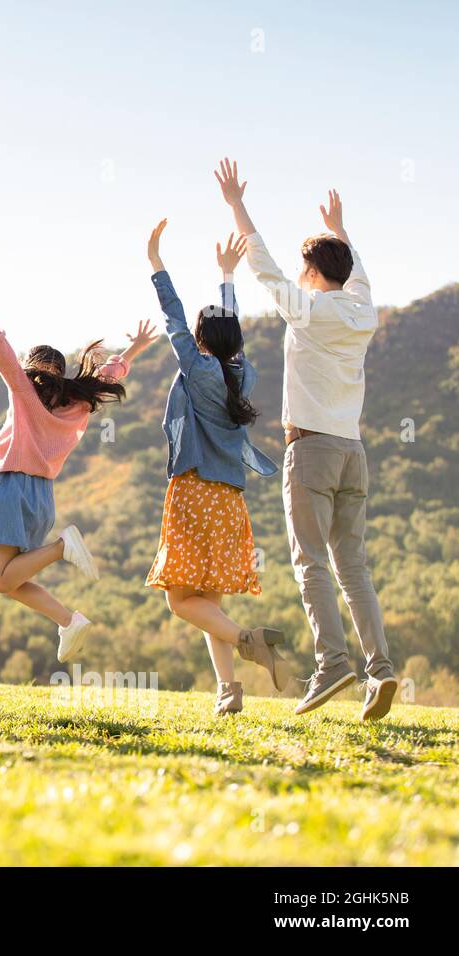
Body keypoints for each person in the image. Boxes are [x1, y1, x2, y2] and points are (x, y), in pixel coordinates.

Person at [215, 158, 396, 720]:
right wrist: (341, 230)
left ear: (314, 272)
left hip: (312, 450)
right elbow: (355, 269)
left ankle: (332, 662)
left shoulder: (309, 309)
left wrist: (236, 205)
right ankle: (381, 668)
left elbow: (263, 266)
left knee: (310, 563)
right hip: (352, 453)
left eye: (304, 267)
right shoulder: (362, 309)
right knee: (354, 567)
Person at [143, 219, 292, 715]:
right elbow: (232, 332)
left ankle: (251, 641)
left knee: (180, 601)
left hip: (194, 493)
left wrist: (157, 264)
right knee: (209, 603)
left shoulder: (199, 367)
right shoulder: (241, 373)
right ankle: (229, 691)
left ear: (202, 340)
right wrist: (227, 277)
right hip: (230, 500)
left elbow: (174, 318)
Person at [0, 287, 155, 664]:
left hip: (15, 486)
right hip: (42, 495)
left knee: (3, 580)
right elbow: (107, 374)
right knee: (7, 581)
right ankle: (69, 620)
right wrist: (134, 350)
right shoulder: (77, 401)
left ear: (29, 367)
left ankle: (61, 548)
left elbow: (2, 355)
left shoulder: (24, 392)